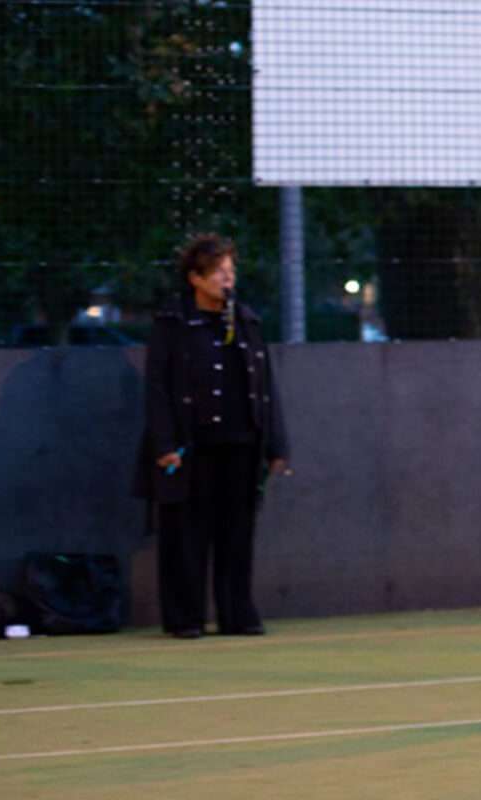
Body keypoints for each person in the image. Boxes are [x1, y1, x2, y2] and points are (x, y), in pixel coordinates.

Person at [135, 234, 293, 639]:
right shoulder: (172, 325)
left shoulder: (246, 321)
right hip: (192, 447)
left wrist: (276, 444)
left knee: (237, 532)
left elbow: (265, 384)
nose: (228, 279)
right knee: (186, 533)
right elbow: (157, 388)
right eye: (219, 272)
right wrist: (165, 445)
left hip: (240, 445)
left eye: (231, 271)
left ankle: (236, 613)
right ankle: (185, 616)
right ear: (196, 278)